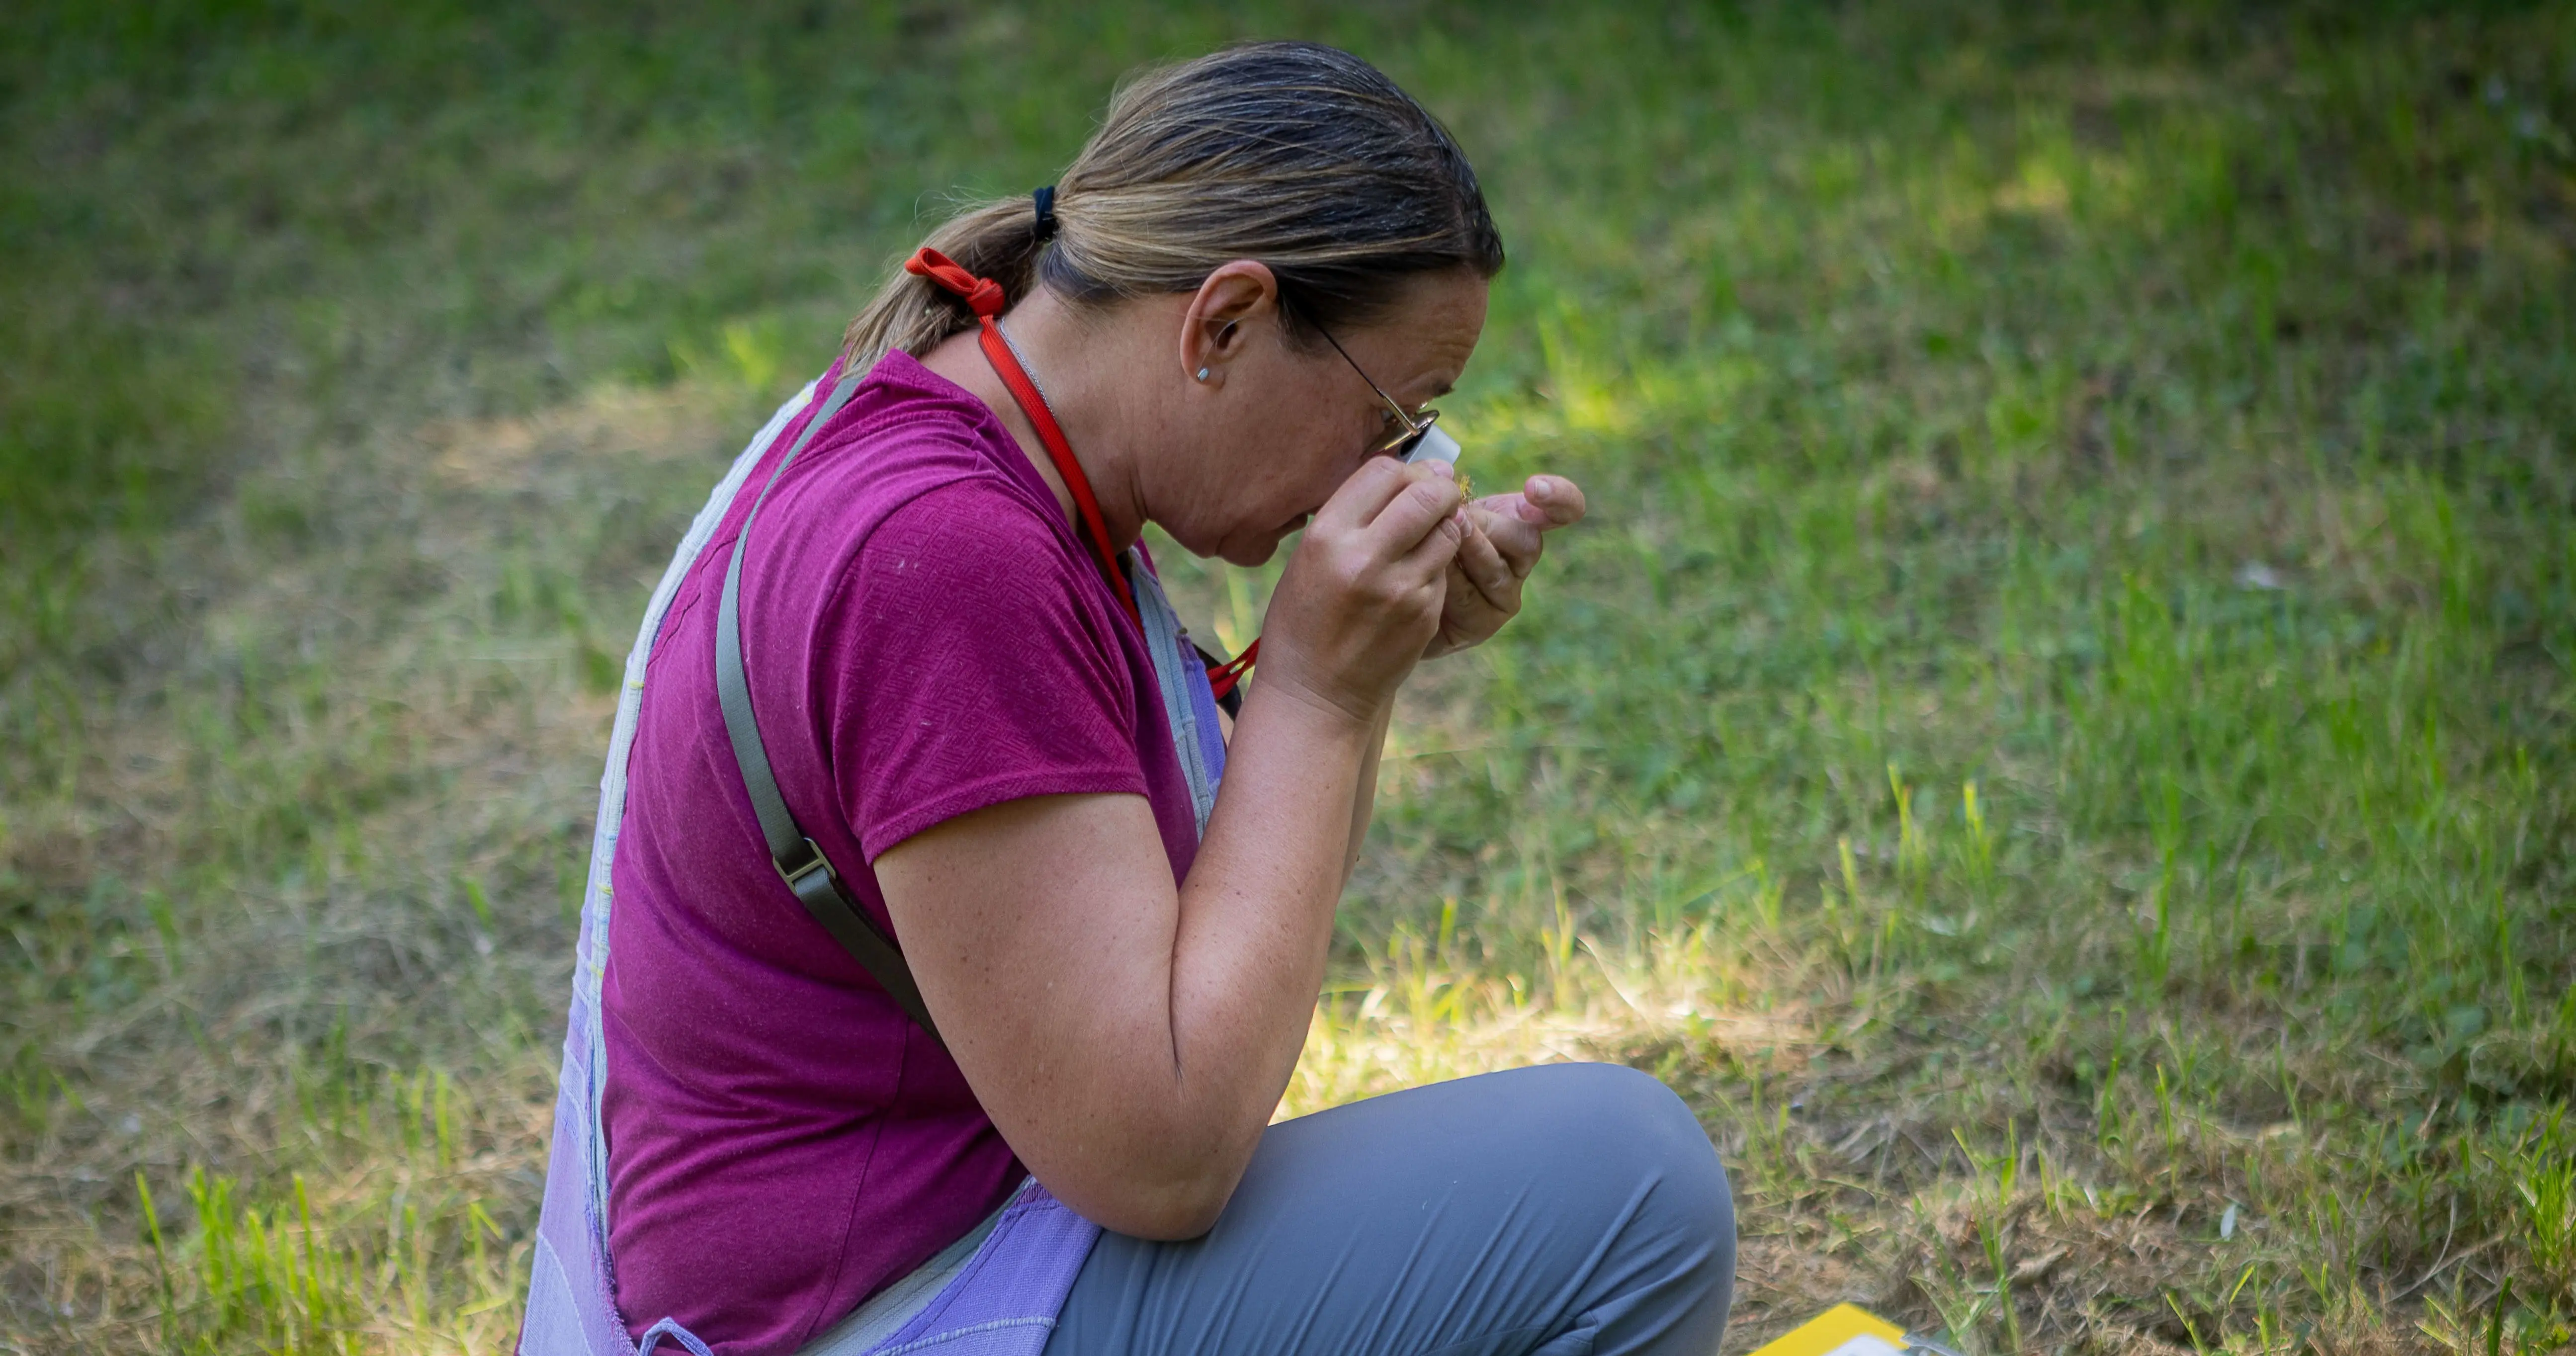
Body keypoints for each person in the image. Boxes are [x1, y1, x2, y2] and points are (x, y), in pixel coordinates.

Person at [516, 40, 1732, 1356]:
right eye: (1394, 417)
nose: (1394, 469)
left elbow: (1196, 970)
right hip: (875, 1316)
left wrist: (1367, 670)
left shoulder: (968, 439)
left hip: (904, 1263)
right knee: (1626, 1187)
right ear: (1223, 323)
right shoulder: (946, 567)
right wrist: (1316, 695)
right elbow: (1164, 1152)